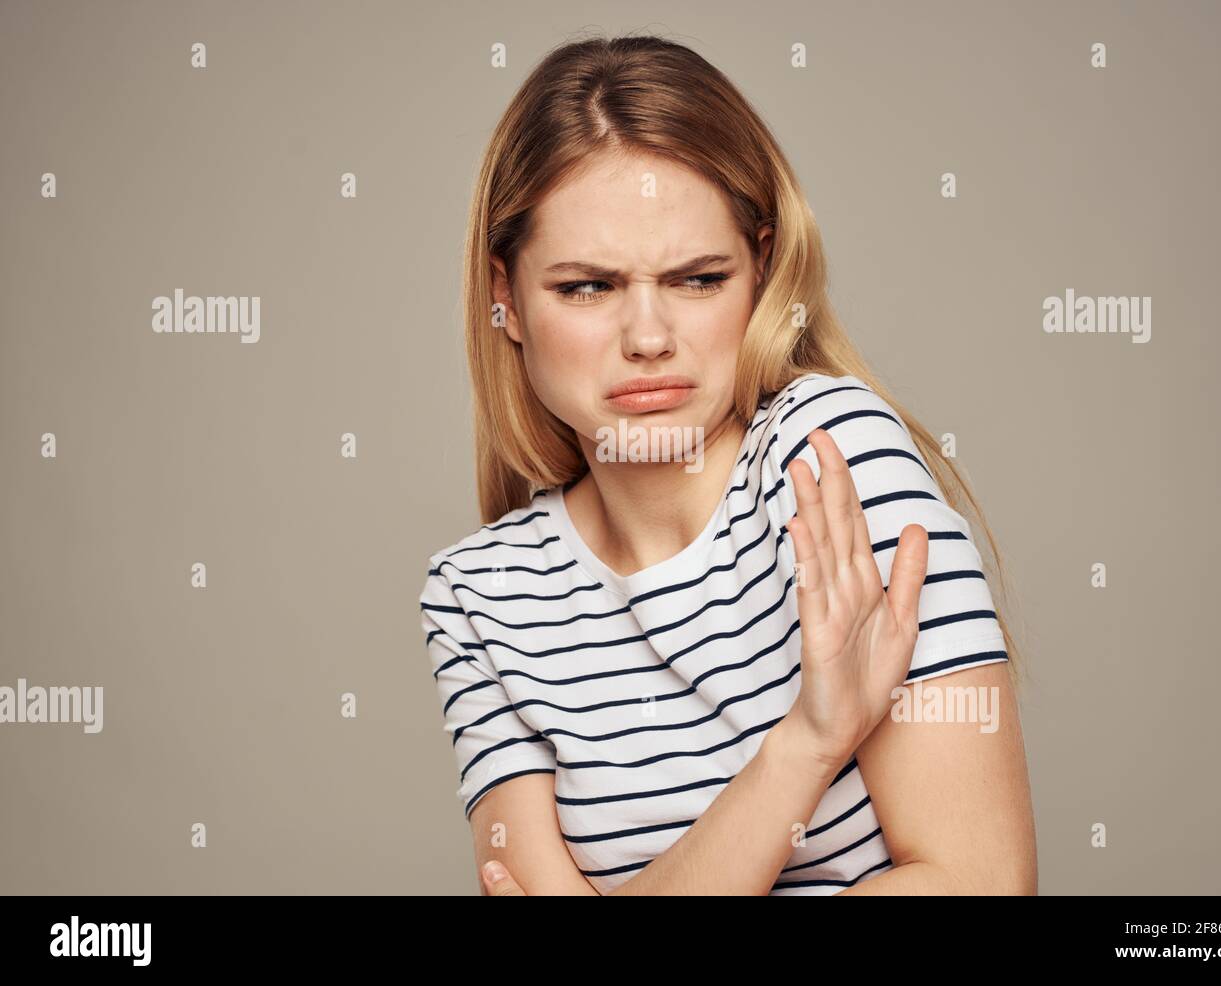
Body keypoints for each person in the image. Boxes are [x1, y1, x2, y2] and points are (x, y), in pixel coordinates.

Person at [418, 34, 1036, 895]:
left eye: (698, 279)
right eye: (587, 287)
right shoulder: (479, 596)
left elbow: (984, 882)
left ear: (762, 272)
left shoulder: (831, 461)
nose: (647, 339)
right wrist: (809, 740)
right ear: (504, 296)